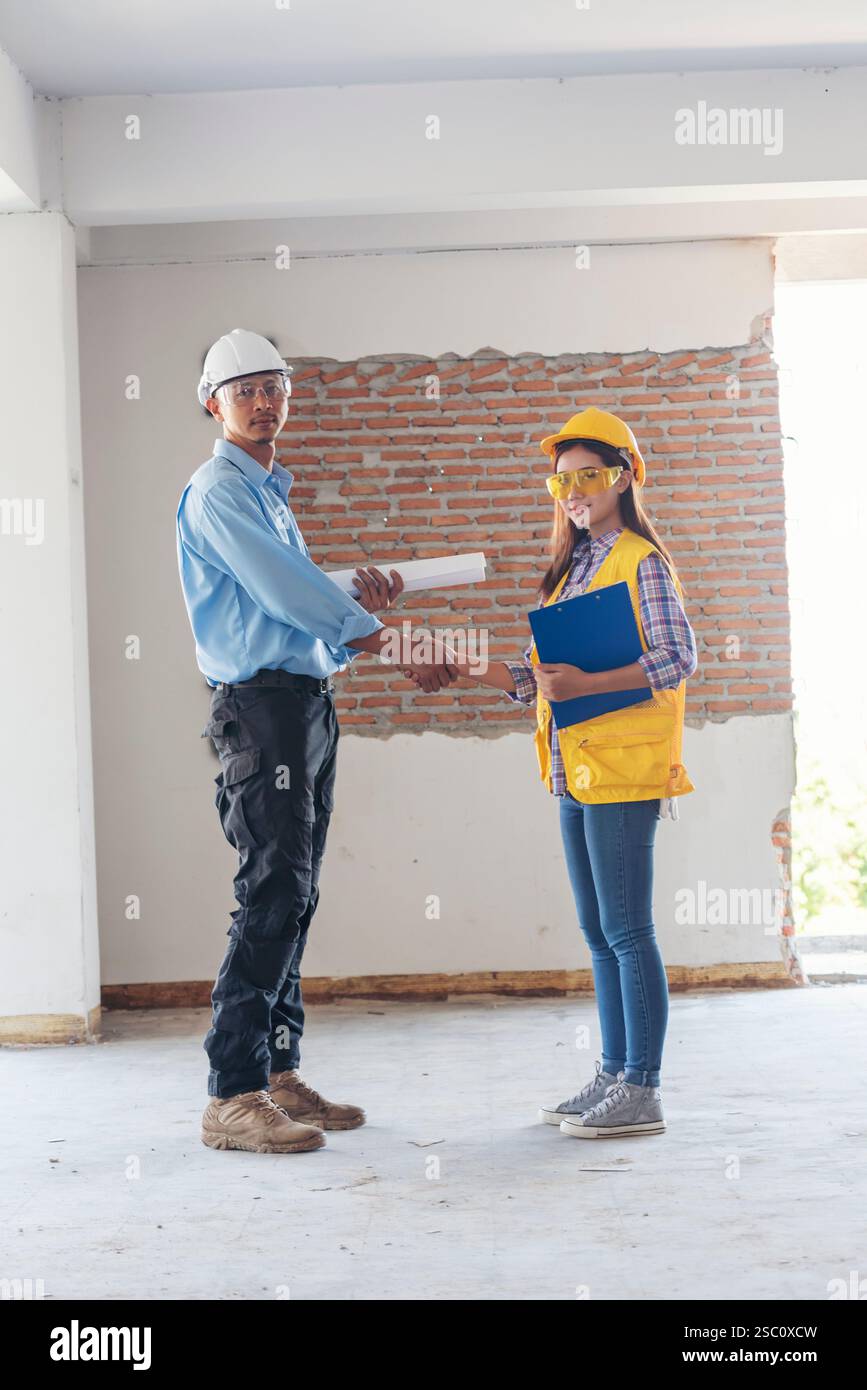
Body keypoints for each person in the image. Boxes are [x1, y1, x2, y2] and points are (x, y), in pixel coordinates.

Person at [176, 329, 456, 1155]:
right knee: (273, 889)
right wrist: (392, 642)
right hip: (260, 710)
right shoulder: (220, 491)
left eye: (275, 387)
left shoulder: (268, 492)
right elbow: (285, 592)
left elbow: (292, 609)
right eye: (246, 391)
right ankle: (232, 1090)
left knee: (297, 891)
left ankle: (277, 1071)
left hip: (301, 703)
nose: (265, 403)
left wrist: (356, 612)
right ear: (213, 404)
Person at [409, 407, 697, 1140]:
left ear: (623, 477)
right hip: (573, 769)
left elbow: (676, 659)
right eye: (561, 480)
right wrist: (483, 669)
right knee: (598, 933)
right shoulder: (570, 568)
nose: (572, 491)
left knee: (629, 931)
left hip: (623, 771)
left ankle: (643, 1089)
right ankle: (611, 1074)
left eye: (588, 476)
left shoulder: (641, 559)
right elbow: (546, 679)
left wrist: (584, 688)